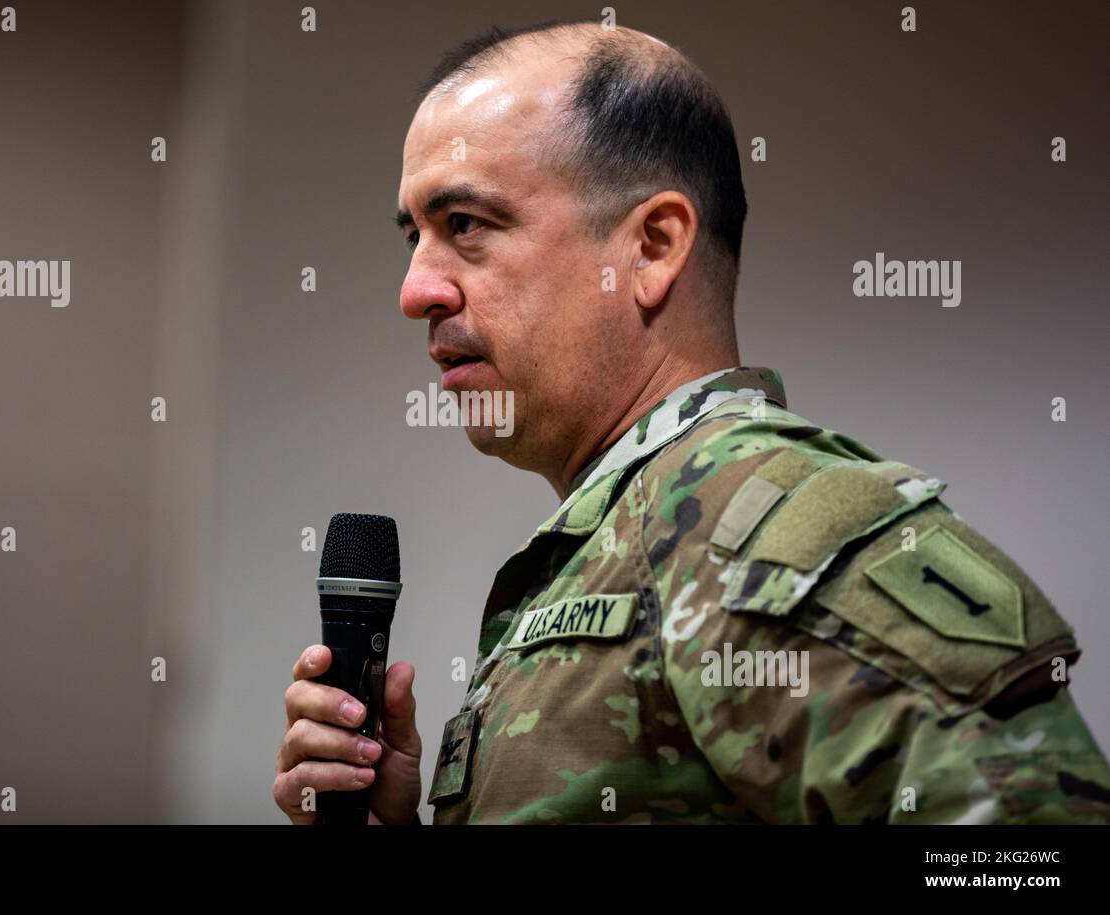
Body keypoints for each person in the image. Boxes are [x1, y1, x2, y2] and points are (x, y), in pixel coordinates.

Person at [274, 19, 1110, 824]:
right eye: (415, 236)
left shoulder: (768, 530)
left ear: (653, 246)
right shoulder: (623, 534)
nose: (415, 290)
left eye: (466, 225)